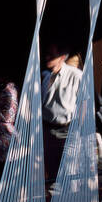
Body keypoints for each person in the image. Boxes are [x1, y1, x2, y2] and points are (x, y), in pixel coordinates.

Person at [41, 40, 82, 183]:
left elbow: (84, 103)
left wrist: (79, 128)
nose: (46, 57)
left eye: (51, 55)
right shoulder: (44, 75)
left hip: (66, 129)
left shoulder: (76, 75)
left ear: (62, 57)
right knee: (50, 166)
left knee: (66, 168)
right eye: (47, 54)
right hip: (46, 127)